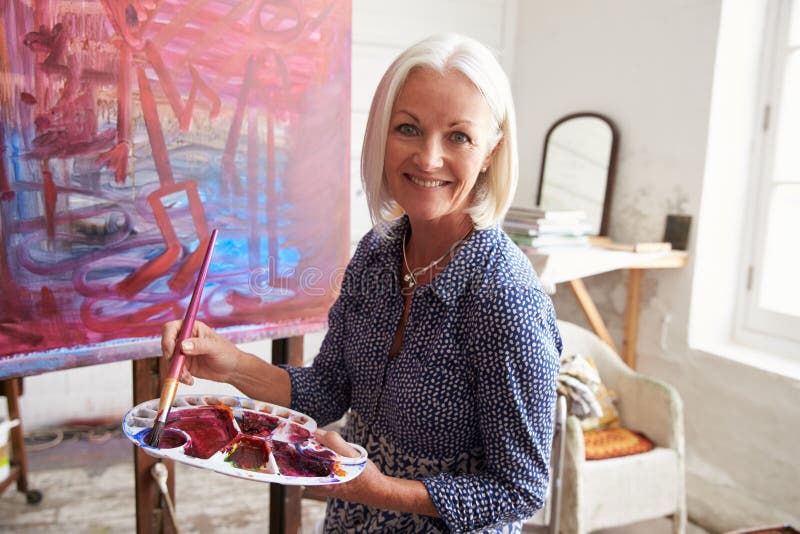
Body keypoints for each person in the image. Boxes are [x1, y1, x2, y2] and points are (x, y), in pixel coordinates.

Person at [161, 33, 562, 533]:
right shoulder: (377, 252)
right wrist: (232, 363)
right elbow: (329, 390)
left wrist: (378, 490)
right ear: (382, 135)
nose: (428, 158)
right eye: (408, 128)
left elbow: (521, 489)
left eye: (458, 136)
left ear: (490, 152)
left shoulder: (506, 298)